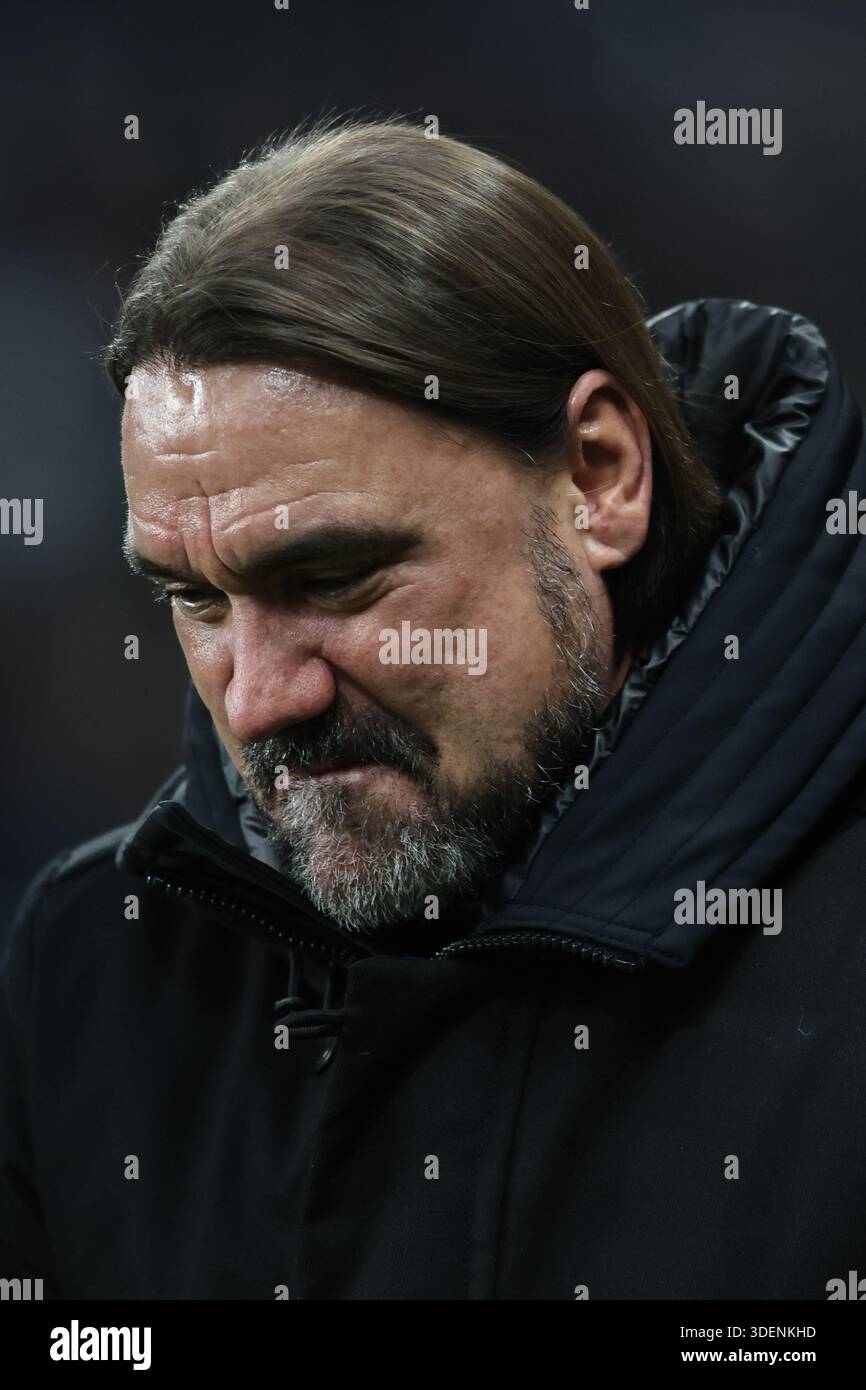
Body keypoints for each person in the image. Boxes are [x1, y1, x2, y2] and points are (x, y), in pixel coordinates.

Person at [2, 115, 865, 1301]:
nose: (256, 701)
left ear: (599, 481)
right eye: (195, 600)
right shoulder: (94, 967)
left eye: (336, 579)